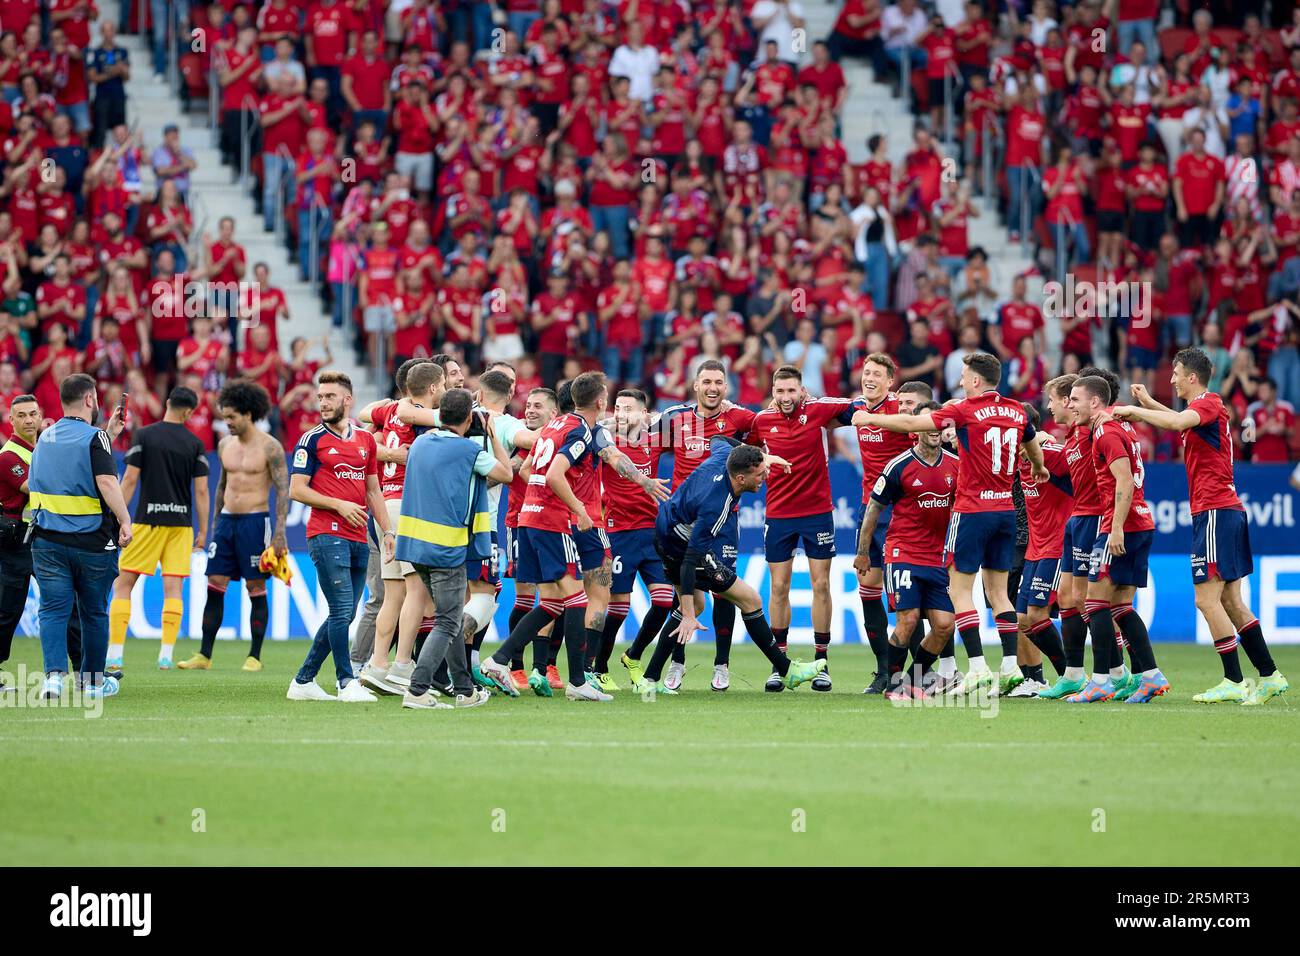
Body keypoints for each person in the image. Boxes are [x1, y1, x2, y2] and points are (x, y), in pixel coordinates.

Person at [854, 351, 1048, 697]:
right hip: (1005, 511)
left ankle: (975, 668)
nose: (959, 381)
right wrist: (1039, 468)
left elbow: (914, 424)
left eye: (962, 376)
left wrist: (872, 421)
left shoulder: (963, 409)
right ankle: (1009, 666)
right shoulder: (1017, 410)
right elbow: (1033, 442)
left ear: (975, 380)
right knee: (1000, 594)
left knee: (960, 591)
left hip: (972, 510)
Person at [1116, 349, 1289, 705]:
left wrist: (1135, 411)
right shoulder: (1203, 412)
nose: (1173, 378)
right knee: (1231, 600)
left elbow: (1179, 423)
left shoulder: (1209, 403)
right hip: (1225, 510)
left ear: (1192, 377)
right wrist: (1150, 402)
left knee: (1205, 598)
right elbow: (1181, 421)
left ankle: (1233, 680)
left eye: (1176, 373)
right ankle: (1270, 675)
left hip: (1214, 511)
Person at [640, 440, 825, 694]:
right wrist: (690, 615)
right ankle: (787, 671)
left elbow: (719, 441)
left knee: (695, 605)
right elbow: (690, 560)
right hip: (679, 547)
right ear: (740, 478)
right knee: (750, 599)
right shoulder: (715, 505)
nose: (765, 476)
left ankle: (649, 680)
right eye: (760, 474)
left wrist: (763, 457)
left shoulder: (725, 457)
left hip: (664, 533)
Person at [621, 360, 757, 692]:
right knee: (687, 597)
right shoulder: (676, 419)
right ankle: (677, 663)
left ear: (726, 387)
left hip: (722, 520)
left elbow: (766, 432)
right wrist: (647, 481)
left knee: (726, 592)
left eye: (719, 382)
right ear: (695, 385)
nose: (712, 387)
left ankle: (721, 666)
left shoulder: (740, 418)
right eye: (707, 381)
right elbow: (642, 444)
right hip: (684, 525)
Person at [395, 387, 514, 710]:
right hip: (445, 547)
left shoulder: (420, 443)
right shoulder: (468, 451)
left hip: (413, 544)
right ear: (468, 418)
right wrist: (492, 434)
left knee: (446, 617)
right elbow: (507, 473)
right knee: (449, 622)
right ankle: (418, 689)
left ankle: (464, 689)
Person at [287, 371, 393, 703]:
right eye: (320, 397)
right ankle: (346, 681)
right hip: (325, 533)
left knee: (345, 614)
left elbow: (373, 491)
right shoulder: (311, 439)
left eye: (329, 397)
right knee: (342, 609)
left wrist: (388, 530)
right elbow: (296, 490)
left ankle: (303, 681)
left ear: (347, 400)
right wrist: (338, 504)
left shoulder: (365, 441)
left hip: (359, 536)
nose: (322, 403)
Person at [750, 364, 855, 692]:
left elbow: (856, 407)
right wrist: (764, 461)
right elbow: (743, 453)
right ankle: (779, 664)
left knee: (820, 585)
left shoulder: (820, 410)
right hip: (778, 514)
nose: (785, 397)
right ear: (772, 392)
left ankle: (822, 662)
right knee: (779, 588)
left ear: (802, 391)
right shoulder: (761, 421)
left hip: (817, 514)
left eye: (791, 391)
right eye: (779, 391)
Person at [1065, 375, 1168, 704]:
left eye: (1076, 400)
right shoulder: (1117, 425)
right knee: (1121, 605)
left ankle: (1102, 681)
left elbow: (1123, 480)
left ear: (1095, 402)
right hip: (1140, 521)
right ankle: (1151, 676)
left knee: (1095, 602)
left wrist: (1116, 528)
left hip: (1121, 525)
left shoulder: (1106, 431)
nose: (1070, 406)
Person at [28, 374, 132, 699]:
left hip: (46, 540)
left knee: (53, 609)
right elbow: (106, 482)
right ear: (90, 400)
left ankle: (54, 679)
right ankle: (92, 683)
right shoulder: (94, 438)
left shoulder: (45, 436)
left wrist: (107, 435)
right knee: (94, 612)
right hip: (92, 543)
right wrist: (125, 519)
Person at [177, 381, 290, 672]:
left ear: (249, 414)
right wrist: (215, 523)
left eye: (232, 417)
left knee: (255, 586)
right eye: (224, 416)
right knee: (214, 582)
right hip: (227, 522)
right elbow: (221, 487)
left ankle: (254, 656)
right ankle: (204, 655)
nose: (226, 422)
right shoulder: (225, 444)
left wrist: (279, 534)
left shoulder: (271, 447)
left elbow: (283, 490)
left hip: (255, 521)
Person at [855, 400, 958, 699]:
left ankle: (911, 680)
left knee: (944, 626)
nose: (935, 429)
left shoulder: (955, 465)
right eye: (928, 424)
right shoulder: (899, 466)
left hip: (937, 557)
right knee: (908, 619)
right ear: (916, 430)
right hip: (904, 553)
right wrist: (863, 551)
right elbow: (874, 509)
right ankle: (894, 684)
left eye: (938, 423)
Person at [106, 387, 210, 671]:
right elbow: (201, 492)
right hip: (180, 527)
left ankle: (115, 654)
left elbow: (129, 480)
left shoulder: (145, 436)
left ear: (167, 403)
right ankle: (165, 654)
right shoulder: (194, 443)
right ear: (189, 412)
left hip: (146, 522)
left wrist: (118, 515)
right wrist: (203, 529)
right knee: (173, 588)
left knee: (124, 584)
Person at [594, 388, 675, 691]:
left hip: (651, 532)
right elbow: (595, 425)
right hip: (618, 532)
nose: (620, 413)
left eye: (628, 408)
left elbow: (688, 426)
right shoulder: (606, 440)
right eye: (617, 407)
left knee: (665, 601)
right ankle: (599, 667)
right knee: (618, 607)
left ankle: (633, 655)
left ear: (644, 413)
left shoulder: (655, 441)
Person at [849, 354, 918, 693]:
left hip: (904, 512)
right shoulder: (857, 408)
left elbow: (918, 425)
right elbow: (823, 410)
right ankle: (883, 671)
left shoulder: (901, 408)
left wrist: (865, 418)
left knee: (910, 595)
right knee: (868, 588)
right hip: (870, 511)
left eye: (877, 374)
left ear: (891, 381)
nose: (869, 378)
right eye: (866, 373)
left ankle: (923, 672)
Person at [0, 396, 77, 691]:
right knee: (8, 609)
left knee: (65, 601)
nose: (29, 420)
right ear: (12, 420)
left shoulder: (37, 448)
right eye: (22, 416)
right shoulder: (8, 456)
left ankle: (86, 669)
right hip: (16, 542)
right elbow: (34, 486)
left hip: (42, 537)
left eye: (33, 413)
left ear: (40, 414)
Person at [1009, 403, 1073, 698]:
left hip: (1057, 546)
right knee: (1023, 620)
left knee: (1040, 613)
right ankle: (1065, 677)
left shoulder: (1053, 454)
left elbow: (1090, 470)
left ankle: (1072, 675)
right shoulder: (1019, 461)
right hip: (1035, 549)